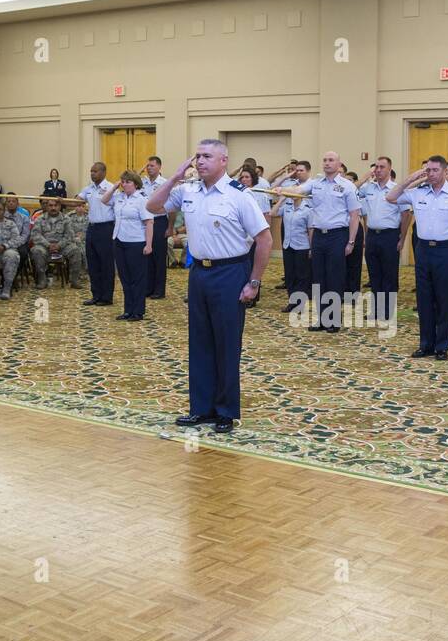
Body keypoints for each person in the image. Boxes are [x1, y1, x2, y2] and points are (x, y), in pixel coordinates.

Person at [146, 139, 270, 433]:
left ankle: (226, 411)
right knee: (200, 343)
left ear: (223, 161)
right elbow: (152, 205)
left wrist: (254, 281)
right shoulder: (187, 191)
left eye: (207, 156)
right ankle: (202, 409)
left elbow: (265, 240)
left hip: (230, 273)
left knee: (226, 345)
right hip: (198, 274)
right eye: (198, 156)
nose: (200, 161)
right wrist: (175, 177)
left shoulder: (239, 195)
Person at [387, 155, 448, 359]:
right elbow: (391, 197)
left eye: (435, 170)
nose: (431, 174)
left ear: (445, 172)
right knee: (424, 299)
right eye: (428, 170)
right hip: (423, 250)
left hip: (446, 250)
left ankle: (442, 346)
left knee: (444, 300)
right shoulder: (418, 193)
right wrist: (411, 178)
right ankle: (426, 344)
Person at [280, 152, 359, 332]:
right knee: (319, 279)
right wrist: (281, 190)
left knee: (334, 278)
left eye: (331, 160)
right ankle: (322, 319)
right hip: (318, 237)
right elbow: (297, 191)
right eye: (324, 160)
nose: (327, 163)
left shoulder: (347, 186)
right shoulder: (315, 183)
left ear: (339, 165)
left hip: (338, 236)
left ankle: (334, 320)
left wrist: (351, 242)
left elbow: (354, 216)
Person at [356, 156, 410, 323]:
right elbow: (351, 189)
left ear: (389, 169)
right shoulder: (368, 188)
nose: (378, 170)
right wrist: (366, 176)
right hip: (372, 235)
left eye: (382, 167)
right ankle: (376, 310)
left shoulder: (396, 189)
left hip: (390, 236)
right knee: (374, 276)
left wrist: (402, 238)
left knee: (389, 275)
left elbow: (406, 214)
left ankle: (388, 311)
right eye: (376, 167)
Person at [108, 171, 154, 321]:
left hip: (136, 242)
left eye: (128, 181)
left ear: (135, 184)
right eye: (123, 181)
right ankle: (128, 310)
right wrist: (114, 187)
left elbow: (149, 223)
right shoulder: (119, 197)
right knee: (124, 277)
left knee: (137, 278)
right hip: (119, 241)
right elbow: (103, 200)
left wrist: (149, 244)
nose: (124, 184)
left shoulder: (141, 200)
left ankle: (138, 311)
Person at [270, 180, 313, 313]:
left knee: (301, 276)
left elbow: (311, 230)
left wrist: (311, 248)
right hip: (288, 246)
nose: (294, 194)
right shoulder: (287, 206)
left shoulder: (308, 209)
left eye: (296, 192)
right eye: (292, 192)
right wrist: (282, 199)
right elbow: (272, 213)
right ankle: (291, 302)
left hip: (302, 246)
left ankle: (299, 303)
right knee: (290, 276)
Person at [79, 161, 116, 306]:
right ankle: (96, 295)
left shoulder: (111, 188)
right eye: (91, 171)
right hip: (92, 228)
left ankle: (106, 297)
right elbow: (77, 201)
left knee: (106, 264)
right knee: (93, 263)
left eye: (95, 171)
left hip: (106, 229)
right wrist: (61, 201)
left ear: (103, 172)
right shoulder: (88, 188)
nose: (92, 174)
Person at [29, 198, 86, 288]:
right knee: (36, 251)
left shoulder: (66, 219)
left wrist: (59, 245)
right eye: (50, 205)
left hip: (62, 246)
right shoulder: (40, 219)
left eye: (56, 205)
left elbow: (69, 236)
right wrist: (48, 245)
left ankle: (74, 280)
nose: (53, 208)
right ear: (46, 207)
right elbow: (35, 235)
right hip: (45, 246)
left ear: (60, 206)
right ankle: (42, 280)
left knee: (76, 250)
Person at [139, 156, 171, 299]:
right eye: (147, 166)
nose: (149, 168)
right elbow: (129, 177)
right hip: (145, 223)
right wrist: (140, 170)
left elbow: (172, 207)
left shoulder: (165, 183)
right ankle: (147, 288)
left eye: (152, 165)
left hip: (159, 222)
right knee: (147, 257)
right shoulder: (142, 182)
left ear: (159, 167)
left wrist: (170, 227)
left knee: (158, 257)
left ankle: (159, 290)